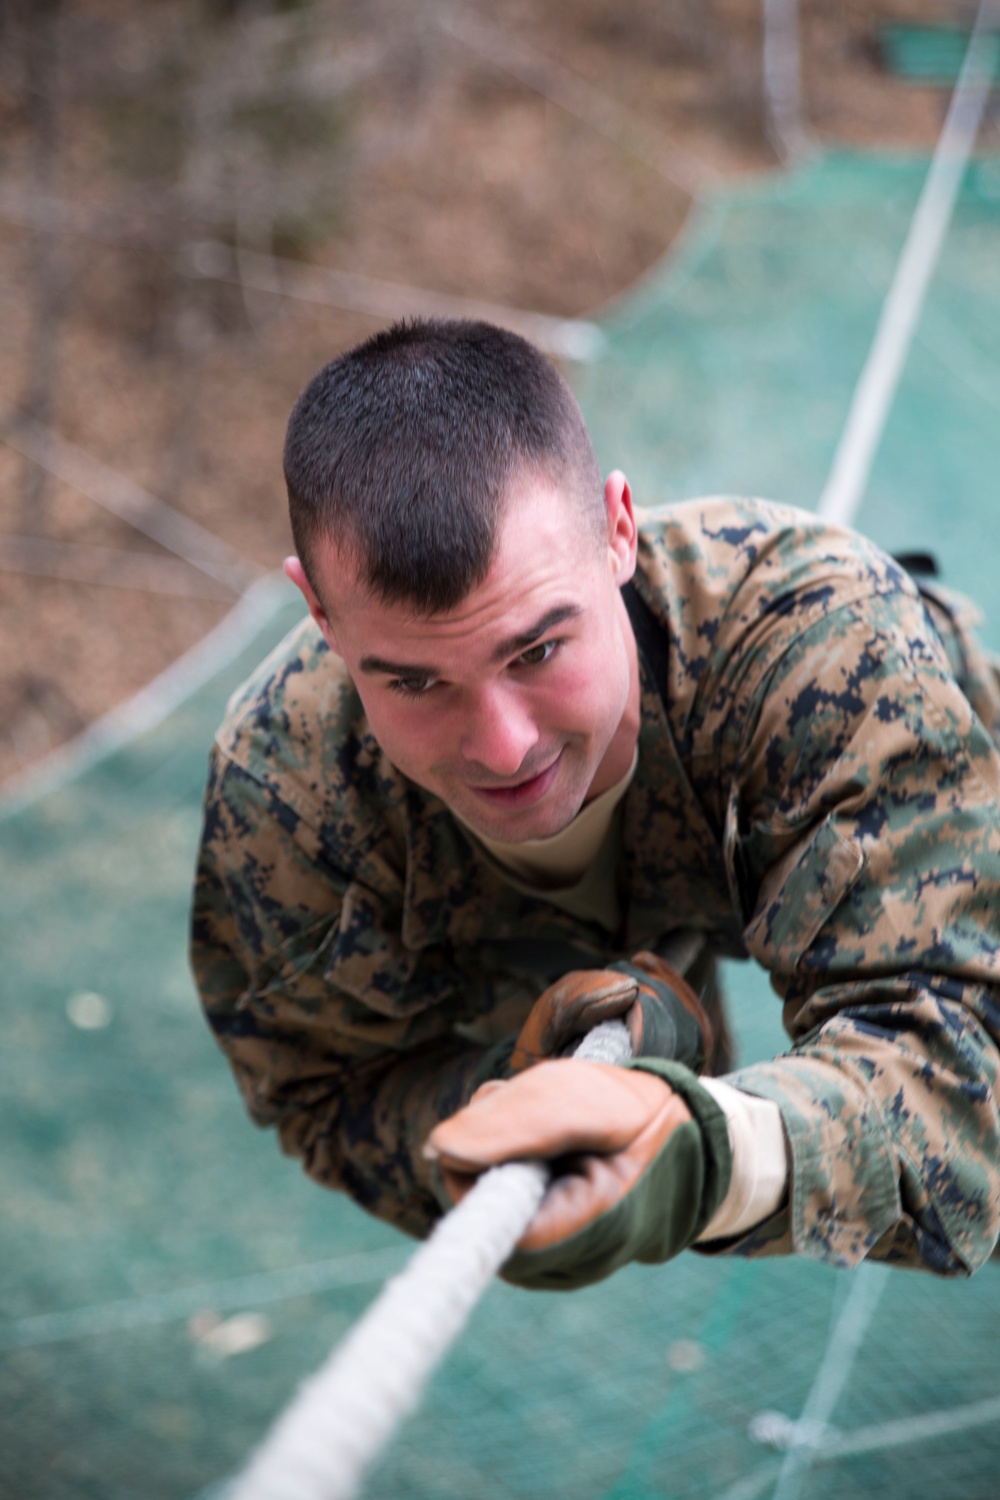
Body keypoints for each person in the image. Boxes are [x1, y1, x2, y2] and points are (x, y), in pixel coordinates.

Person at [190, 318, 1000, 1292]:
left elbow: (958, 1082)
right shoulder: (287, 785)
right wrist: (512, 1094)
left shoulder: (823, 642)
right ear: (317, 613)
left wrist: (708, 1158)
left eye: (537, 651)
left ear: (619, 529)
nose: (503, 746)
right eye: (413, 683)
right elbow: (328, 1092)